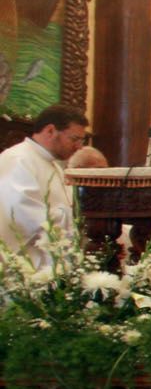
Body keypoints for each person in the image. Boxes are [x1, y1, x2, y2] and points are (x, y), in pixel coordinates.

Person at [0, 103, 86, 268]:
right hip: (24, 264)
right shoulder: (18, 159)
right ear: (50, 131)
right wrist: (73, 217)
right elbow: (23, 214)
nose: (79, 147)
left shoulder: (53, 165)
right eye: (74, 139)